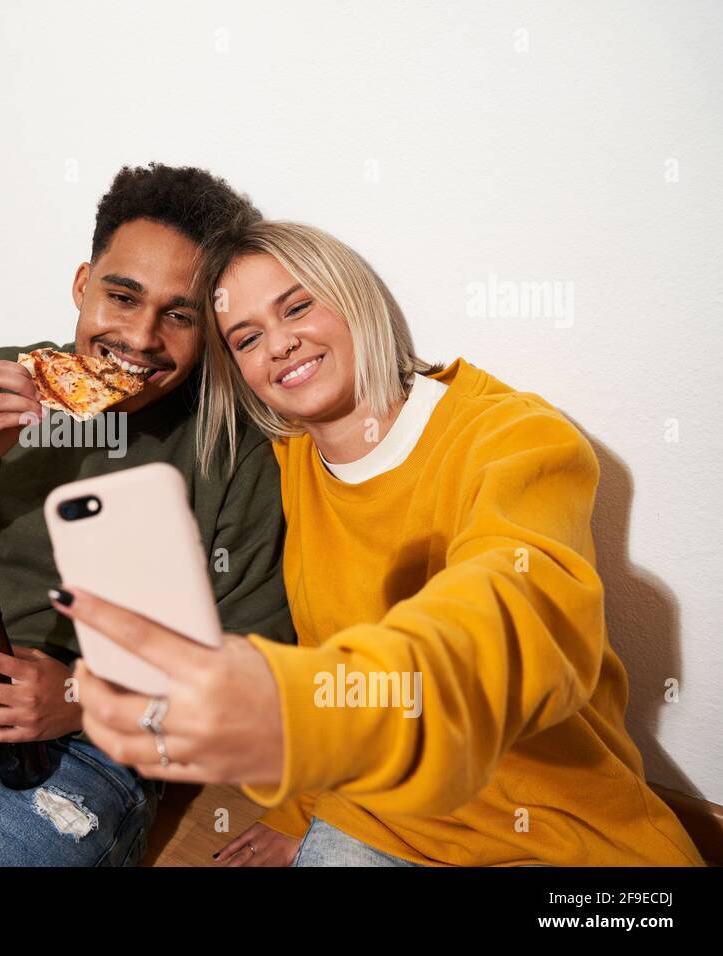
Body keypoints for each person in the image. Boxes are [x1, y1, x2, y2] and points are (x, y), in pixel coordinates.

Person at [51, 219, 705, 866]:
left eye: (298, 306)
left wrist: (302, 710)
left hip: (554, 833)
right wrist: (303, 808)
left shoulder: (515, 438)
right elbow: (143, 369)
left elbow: (516, 616)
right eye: (247, 338)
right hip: (379, 815)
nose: (280, 345)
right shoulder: (288, 460)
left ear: (353, 295)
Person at [0, 165, 295, 866]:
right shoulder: (1, 381)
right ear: (83, 284)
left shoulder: (232, 449)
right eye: (122, 296)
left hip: (94, 755)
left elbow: (258, 673)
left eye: (180, 315)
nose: (142, 338)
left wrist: (82, 698)